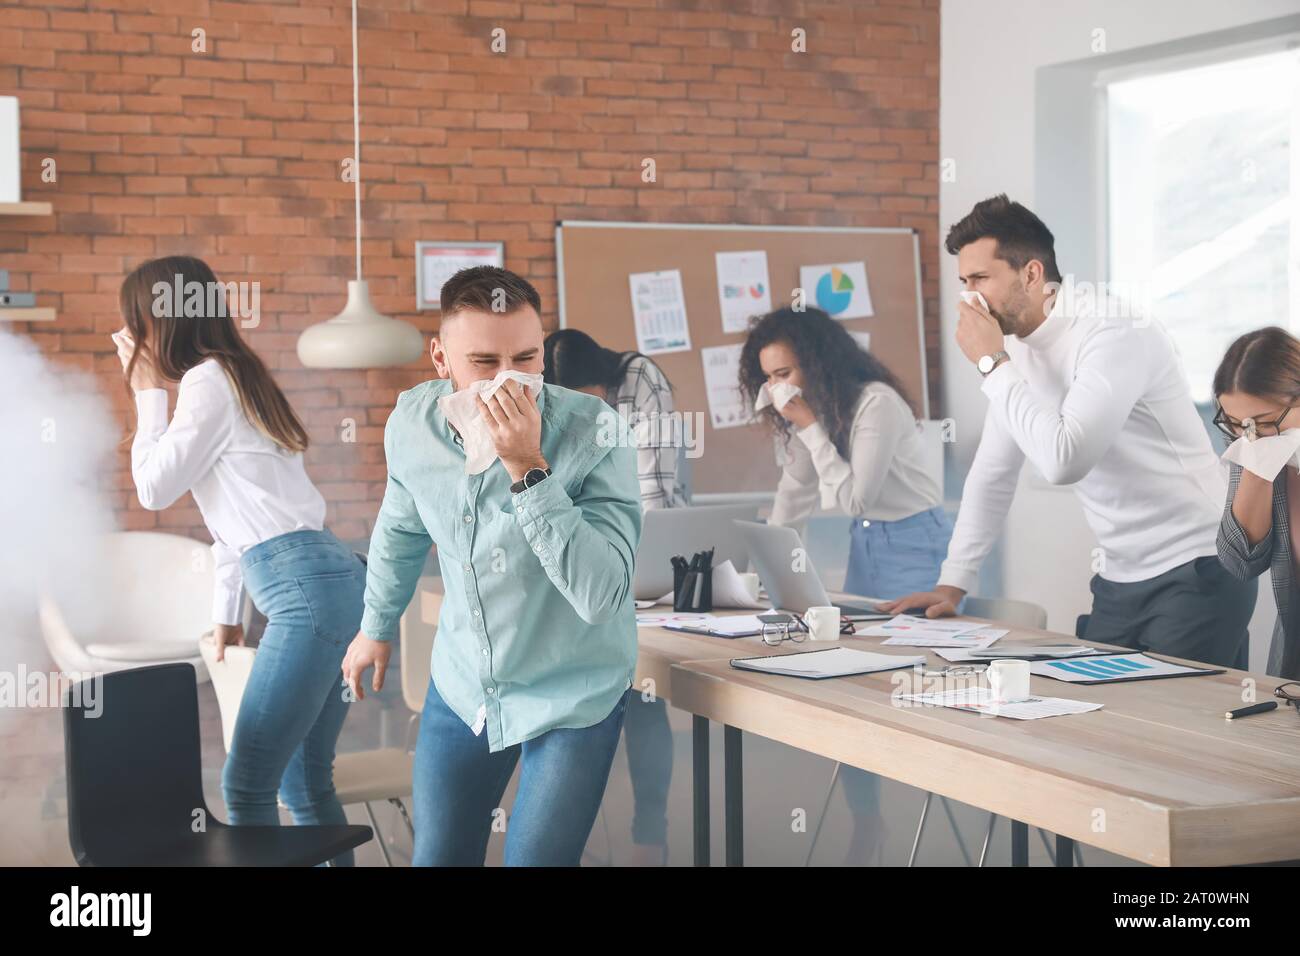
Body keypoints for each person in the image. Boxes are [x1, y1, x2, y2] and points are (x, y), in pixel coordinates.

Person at [341, 266, 642, 866]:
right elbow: (401, 529)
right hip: (465, 684)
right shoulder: (412, 425)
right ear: (440, 357)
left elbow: (603, 595)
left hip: (572, 691)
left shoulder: (596, 430)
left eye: (527, 359)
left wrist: (529, 468)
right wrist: (375, 627)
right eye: (483, 362)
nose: (509, 381)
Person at [888, 194, 1256, 671]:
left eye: (980, 279)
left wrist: (990, 363)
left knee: (1167, 729)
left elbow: (1065, 460)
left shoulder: (1112, 331)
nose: (969, 299)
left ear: (1032, 274)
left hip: (1200, 561)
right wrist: (952, 583)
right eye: (964, 282)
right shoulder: (1016, 353)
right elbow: (993, 474)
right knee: (1094, 720)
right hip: (1119, 575)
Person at [115, 254, 365, 866]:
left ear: (157, 322)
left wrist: (147, 392)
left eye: (134, 323)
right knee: (305, 783)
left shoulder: (205, 382)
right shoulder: (239, 373)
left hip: (303, 587)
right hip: (333, 577)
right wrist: (228, 613)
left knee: (246, 781)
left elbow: (152, 488)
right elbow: (233, 521)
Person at [738, 305, 949, 865]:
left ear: (817, 361)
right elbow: (797, 492)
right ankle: (869, 821)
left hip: (914, 540)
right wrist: (766, 570)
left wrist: (808, 427)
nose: (777, 388)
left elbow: (857, 498)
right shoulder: (822, 411)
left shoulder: (875, 402)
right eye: (769, 377)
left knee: (908, 675)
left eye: (786, 372)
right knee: (854, 681)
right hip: (870, 541)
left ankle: (932, 804)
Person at [544, 328, 685, 866]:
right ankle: (562, 839)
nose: (584, 412)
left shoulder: (640, 380)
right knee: (579, 698)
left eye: (591, 398)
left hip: (642, 548)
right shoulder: (546, 394)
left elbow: (654, 486)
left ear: (606, 378)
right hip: (573, 556)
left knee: (642, 692)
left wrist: (628, 570)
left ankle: (649, 835)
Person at [1214, 327, 1300, 680]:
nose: (1250, 436)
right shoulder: (1255, 449)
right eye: (1236, 424)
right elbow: (1240, 561)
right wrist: (1259, 470)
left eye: (1264, 424)